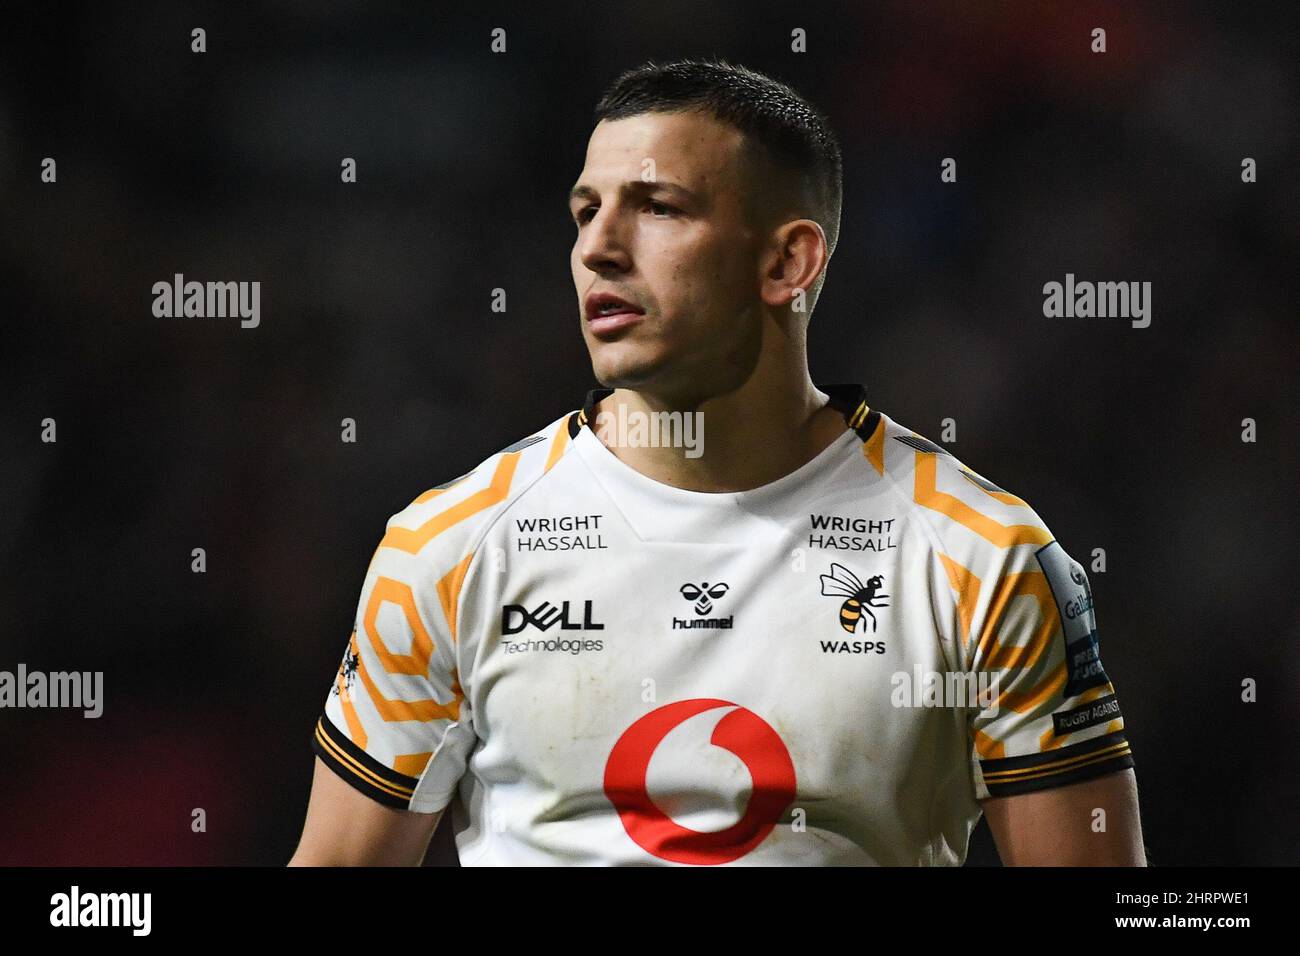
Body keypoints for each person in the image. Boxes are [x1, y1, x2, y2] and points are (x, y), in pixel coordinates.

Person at [289, 57, 1145, 866]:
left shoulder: (984, 559)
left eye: (657, 206)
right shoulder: (446, 549)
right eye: (586, 211)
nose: (598, 248)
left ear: (788, 261)